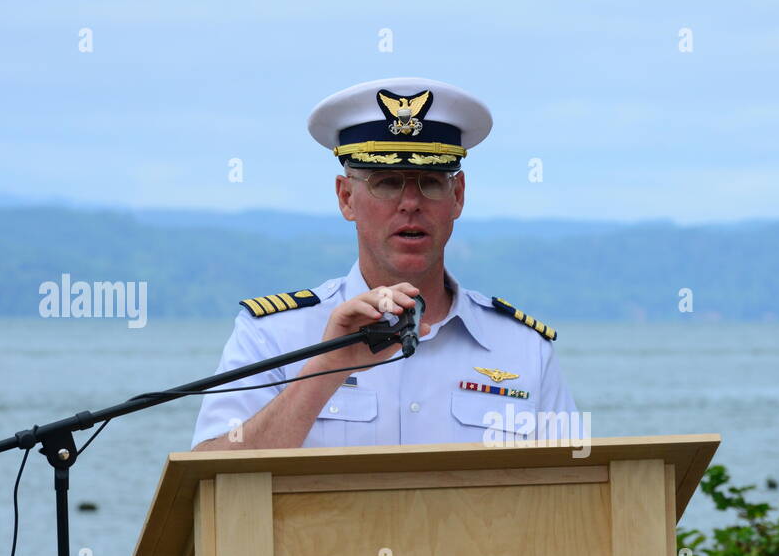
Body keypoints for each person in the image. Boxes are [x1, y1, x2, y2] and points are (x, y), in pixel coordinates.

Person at [191, 77, 578, 451]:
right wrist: (328, 365)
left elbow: (576, 488)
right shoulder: (272, 336)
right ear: (346, 198)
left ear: (457, 196)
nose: (410, 203)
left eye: (430, 182)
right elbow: (214, 480)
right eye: (387, 182)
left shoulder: (523, 347)